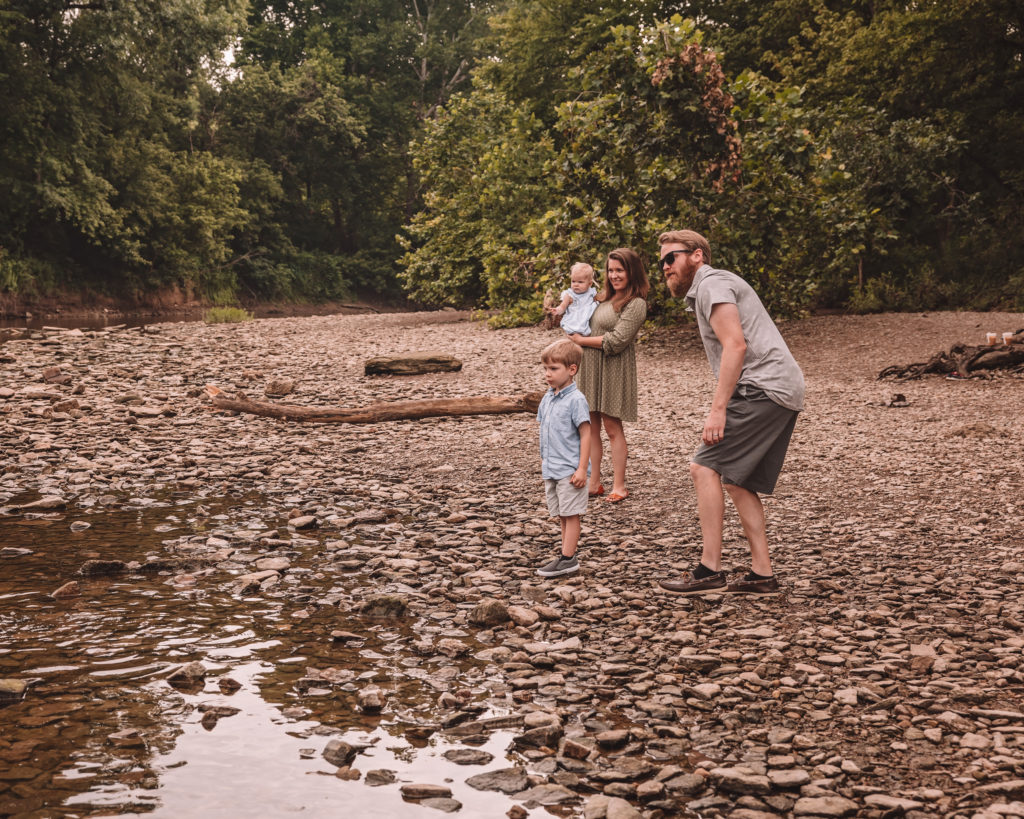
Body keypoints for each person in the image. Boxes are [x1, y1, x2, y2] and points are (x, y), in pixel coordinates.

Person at [657, 229, 804, 596]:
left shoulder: (711, 284)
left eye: (670, 258)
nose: (664, 267)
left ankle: (709, 570)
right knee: (738, 481)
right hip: (781, 388)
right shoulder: (710, 288)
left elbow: (735, 346)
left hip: (762, 387)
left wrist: (717, 410)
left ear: (697, 256)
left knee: (703, 467)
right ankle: (762, 575)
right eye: (660, 262)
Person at [569, 248, 649, 503]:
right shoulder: (599, 298)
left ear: (631, 272)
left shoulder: (636, 304)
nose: (614, 275)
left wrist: (581, 340)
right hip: (590, 367)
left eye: (619, 270)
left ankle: (619, 485)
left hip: (614, 368)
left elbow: (617, 341)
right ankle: (594, 483)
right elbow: (577, 317)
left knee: (613, 428)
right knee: (589, 427)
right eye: (610, 270)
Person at [535, 338, 592, 578]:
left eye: (554, 369)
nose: (548, 374)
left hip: (569, 469)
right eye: (546, 369)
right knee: (561, 514)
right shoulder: (548, 396)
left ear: (571, 370)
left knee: (571, 513)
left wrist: (581, 469)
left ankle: (568, 558)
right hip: (552, 467)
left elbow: (586, 434)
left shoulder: (576, 400)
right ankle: (564, 554)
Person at [549, 262, 599, 336]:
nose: (576, 284)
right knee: (574, 336)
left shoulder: (591, 293)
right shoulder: (569, 295)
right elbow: (563, 306)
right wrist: (558, 310)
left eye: (580, 282)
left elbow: (598, 299)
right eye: (573, 281)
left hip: (589, 319)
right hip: (574, 321)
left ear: (589, 284)